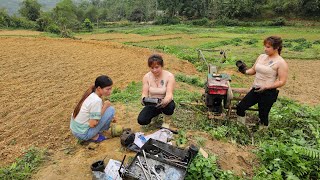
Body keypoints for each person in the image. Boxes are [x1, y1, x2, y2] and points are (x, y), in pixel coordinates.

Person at [236, 36, 288, 129]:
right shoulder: (261, 57)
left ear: (276, 48)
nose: (265, 49)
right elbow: (253, 70)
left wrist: (267, 86)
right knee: (240, 107)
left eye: (268, 47)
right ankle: (241, 128)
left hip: (268, 92)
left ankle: (262, 134)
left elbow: (282, 81)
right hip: (256, 89)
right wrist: (243, 70)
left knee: (263, 116)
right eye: (265, 46)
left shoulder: (280, 62)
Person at [70, 75, 116, 143]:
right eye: (108, 89)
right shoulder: (96, 100)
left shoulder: (91, 94)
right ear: (99, 88)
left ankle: (94, 134)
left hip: (76, 130)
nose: (110, 91)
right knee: (110, 110)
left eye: (110, 88)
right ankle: (95, 136)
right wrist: (105, 107)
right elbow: (92, 124)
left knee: (107, 109)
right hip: (83, 134)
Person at [138, 54, 176, 128]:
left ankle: (167, 121)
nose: (154, 70)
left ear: (161, 66)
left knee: (170, 106)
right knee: (142, 120)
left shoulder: (169, 76)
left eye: (157, 67)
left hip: (165, 102)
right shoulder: (146, 77)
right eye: (152, 68)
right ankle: (156, 115)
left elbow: (169, 94)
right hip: (152, 102)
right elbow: (144, 93)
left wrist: (164, 101)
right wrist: (143, 100)